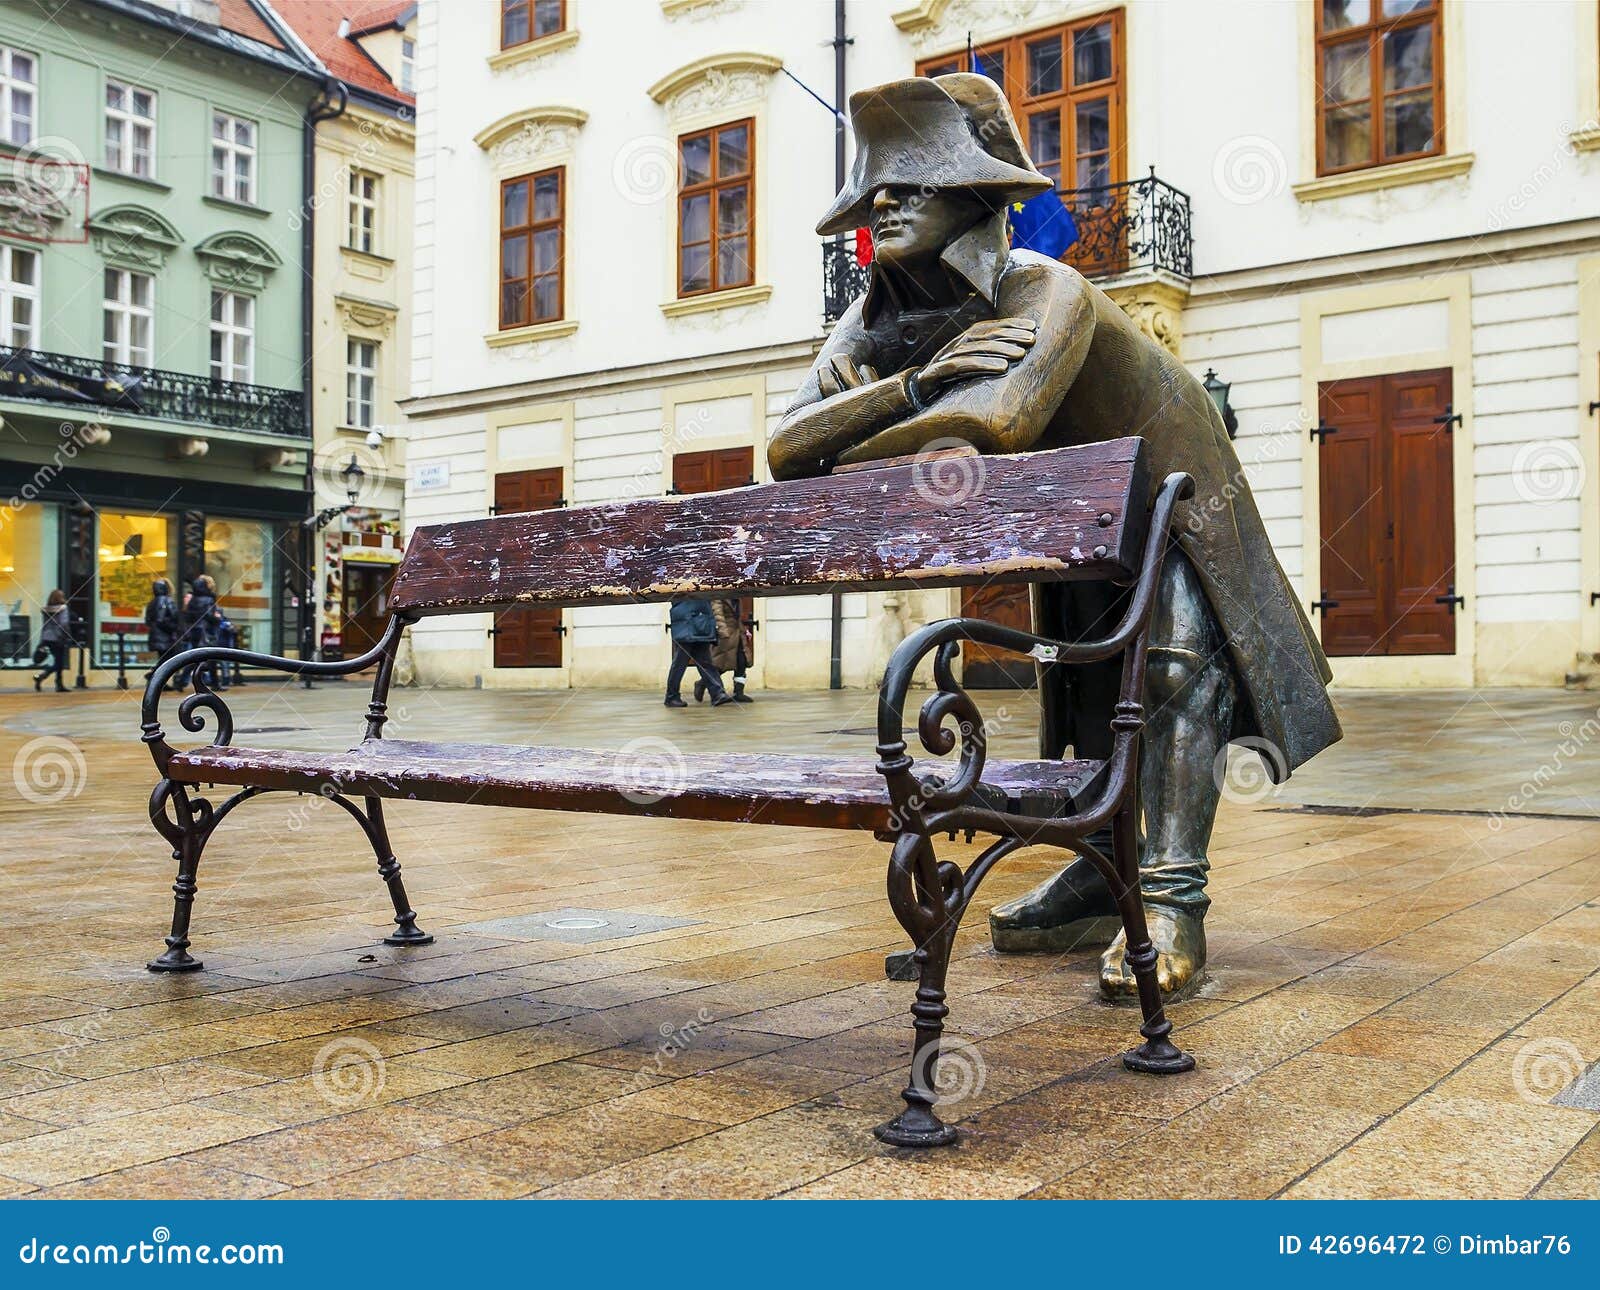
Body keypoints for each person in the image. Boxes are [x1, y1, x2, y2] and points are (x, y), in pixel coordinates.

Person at [768, 73, 1341, 997]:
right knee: (1082, 688)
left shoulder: (1047, 288)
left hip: (1172, 485)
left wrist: (857, 432)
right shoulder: (871, 320)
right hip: (1077, 510)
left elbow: (996, 422)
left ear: (975, 193)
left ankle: (1173, 902)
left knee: (1175, 665)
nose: (885, 202)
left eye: (915, 181)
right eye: (878, 185)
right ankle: (1099, 873)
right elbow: (787, 448)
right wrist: (914, 388)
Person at [664, 596, 730, 707]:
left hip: (700, 622)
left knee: (705, 662)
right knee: (680, 663)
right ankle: (671, 696)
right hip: (688, 623)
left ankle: (717, 693)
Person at [695, 595, 753, 704]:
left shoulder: (736, 597)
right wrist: (722, 632)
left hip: (738, 633)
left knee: (742, 662)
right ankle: (702, 683)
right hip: (726, 634)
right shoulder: (718, 596)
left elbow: (737, 616)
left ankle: (739, 693)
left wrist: (744, 630)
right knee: (721, 665)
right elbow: (717, 615)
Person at [173, 574, 220, 690]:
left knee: (196, 658)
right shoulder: (209, 599)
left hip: (195, 631)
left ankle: (182, 682)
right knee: (211, 657)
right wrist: (217, 618)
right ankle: (214, 683)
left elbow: (189, 616)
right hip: (206, 632)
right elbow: (209, 616)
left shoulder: (193, 600)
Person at [32, 589, 71, 693]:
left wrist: (42, 640)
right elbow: (64, 623)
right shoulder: (63, 608)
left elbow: (45, 626)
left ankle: (58, 683)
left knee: (58, 662)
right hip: (58, 638)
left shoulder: (46, 610)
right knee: (59, 663)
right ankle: (44, 677)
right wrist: (66, 635)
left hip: (47, 638)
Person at [144, 578, 180, 685]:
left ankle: (158, 682)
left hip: (156, 636)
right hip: (166, 636)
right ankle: (154, 676)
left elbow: (148, 621)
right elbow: (171, 618)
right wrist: (173, 628)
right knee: (170, 660)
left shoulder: (152, 602)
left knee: (164, 659)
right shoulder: (167, 601)